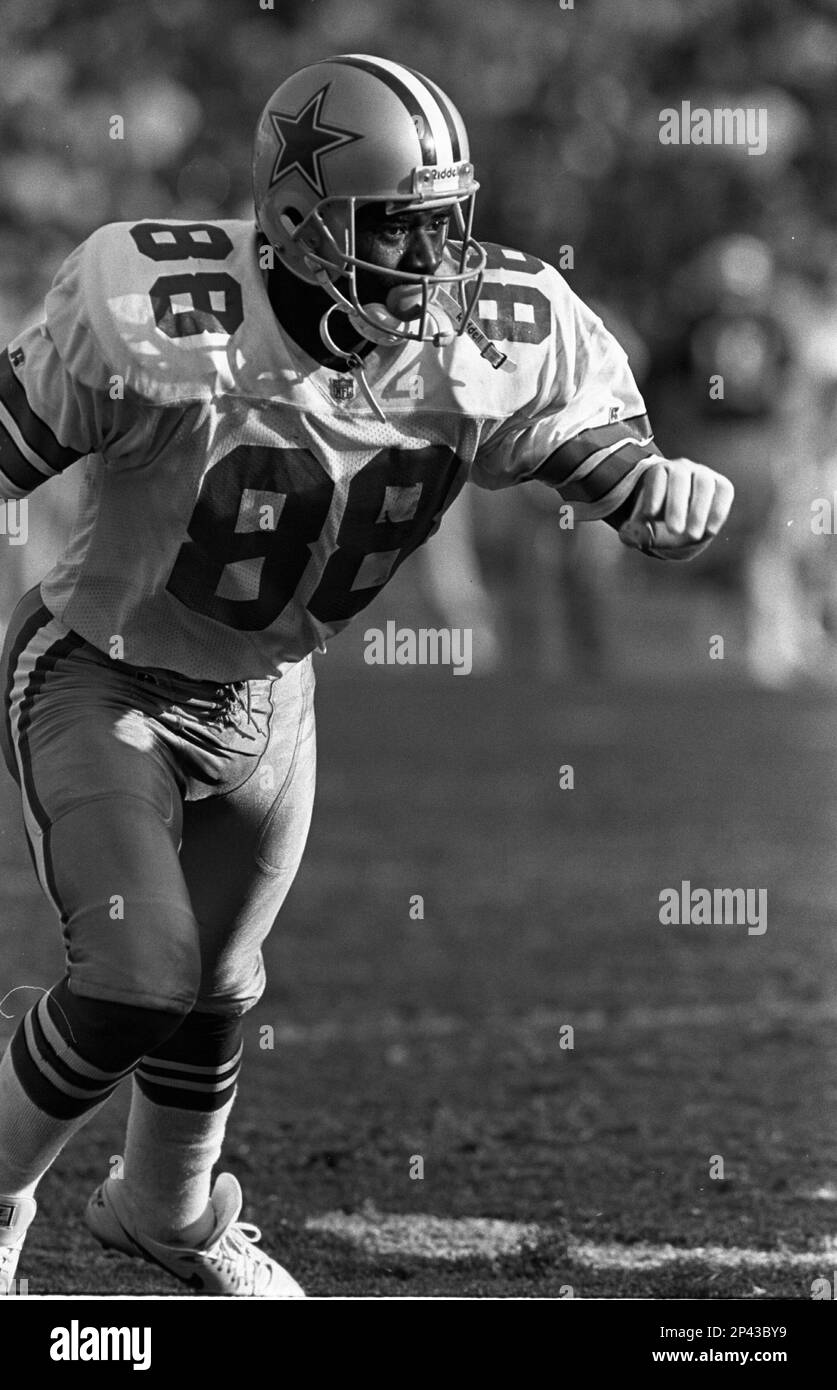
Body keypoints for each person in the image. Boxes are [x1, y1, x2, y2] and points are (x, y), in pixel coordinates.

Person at [0, 54, 733, 1298]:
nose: (436, 258)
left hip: (275, 697)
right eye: (397, 228)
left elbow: (595, 453)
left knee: (218, 984)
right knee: (138, 974)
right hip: (104, 671)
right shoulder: (158, 304)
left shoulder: (488, 329)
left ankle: (162, 1215)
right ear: (296, 218)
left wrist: (660, 494)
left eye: (448, 223)